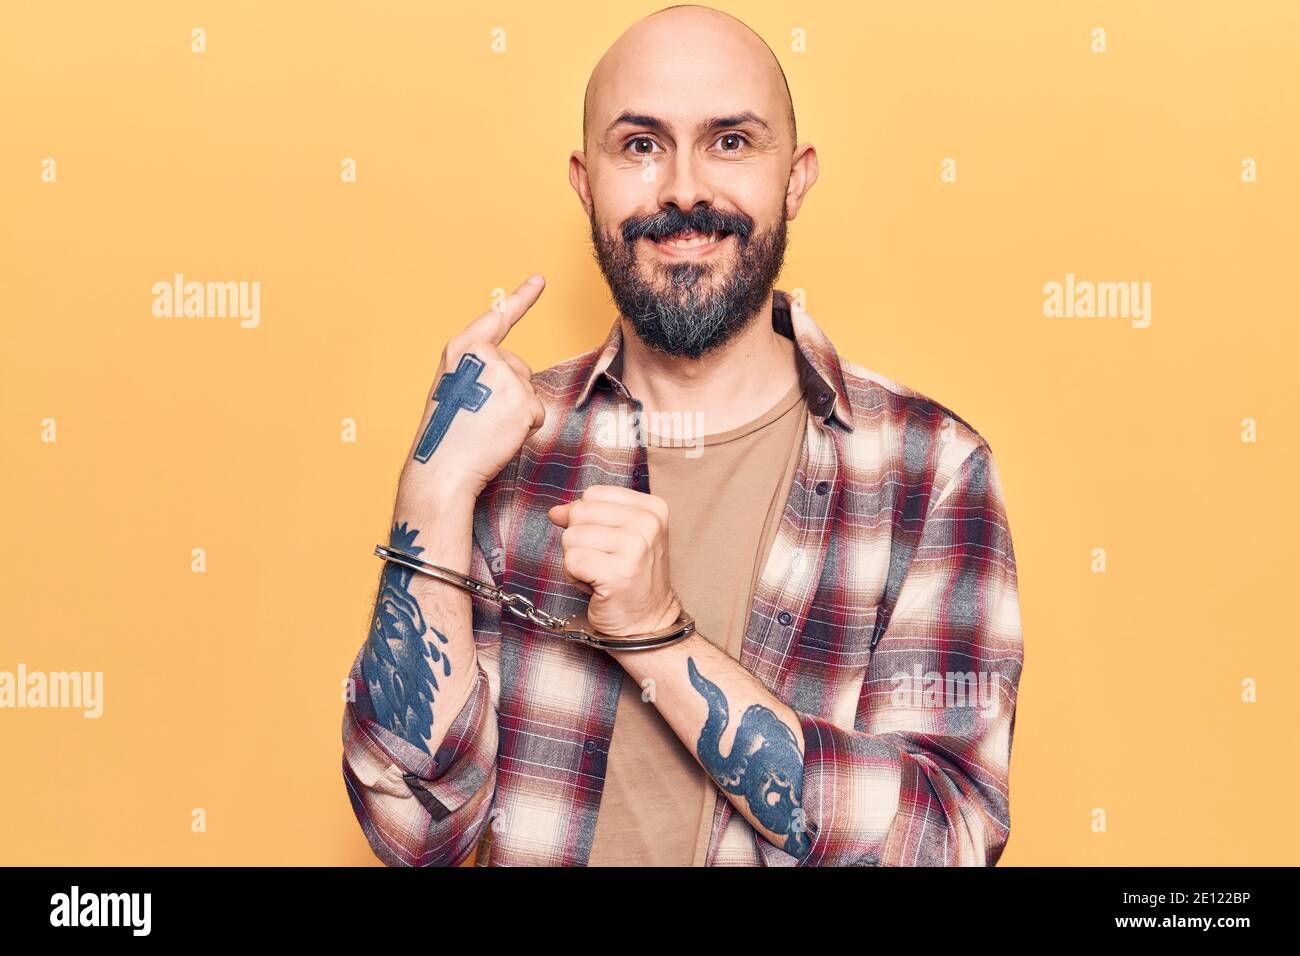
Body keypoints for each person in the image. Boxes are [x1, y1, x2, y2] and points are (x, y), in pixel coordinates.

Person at [341, 4, 1023, 867]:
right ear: (586, 183)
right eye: (641, 145)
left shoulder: (931, 470)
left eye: (731, 141)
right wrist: (433, 488)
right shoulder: (497, 447)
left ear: (797, 177)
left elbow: (946, 844)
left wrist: (656, 633)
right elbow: (412, 831)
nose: (685, 190)